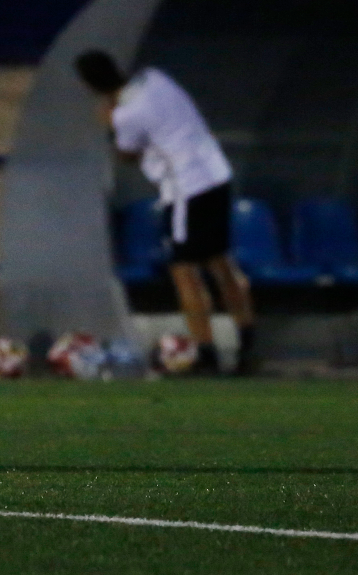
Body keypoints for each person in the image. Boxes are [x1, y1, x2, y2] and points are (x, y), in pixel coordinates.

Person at [76, 50, 256, 374]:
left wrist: (109, 123)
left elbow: (127, 155)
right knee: (221, 262)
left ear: (90, 86)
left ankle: (207, 353)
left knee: (184, 271)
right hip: (217, 174)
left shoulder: (126, 116)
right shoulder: (156, 78)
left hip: (187, 188)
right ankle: (247, 344)